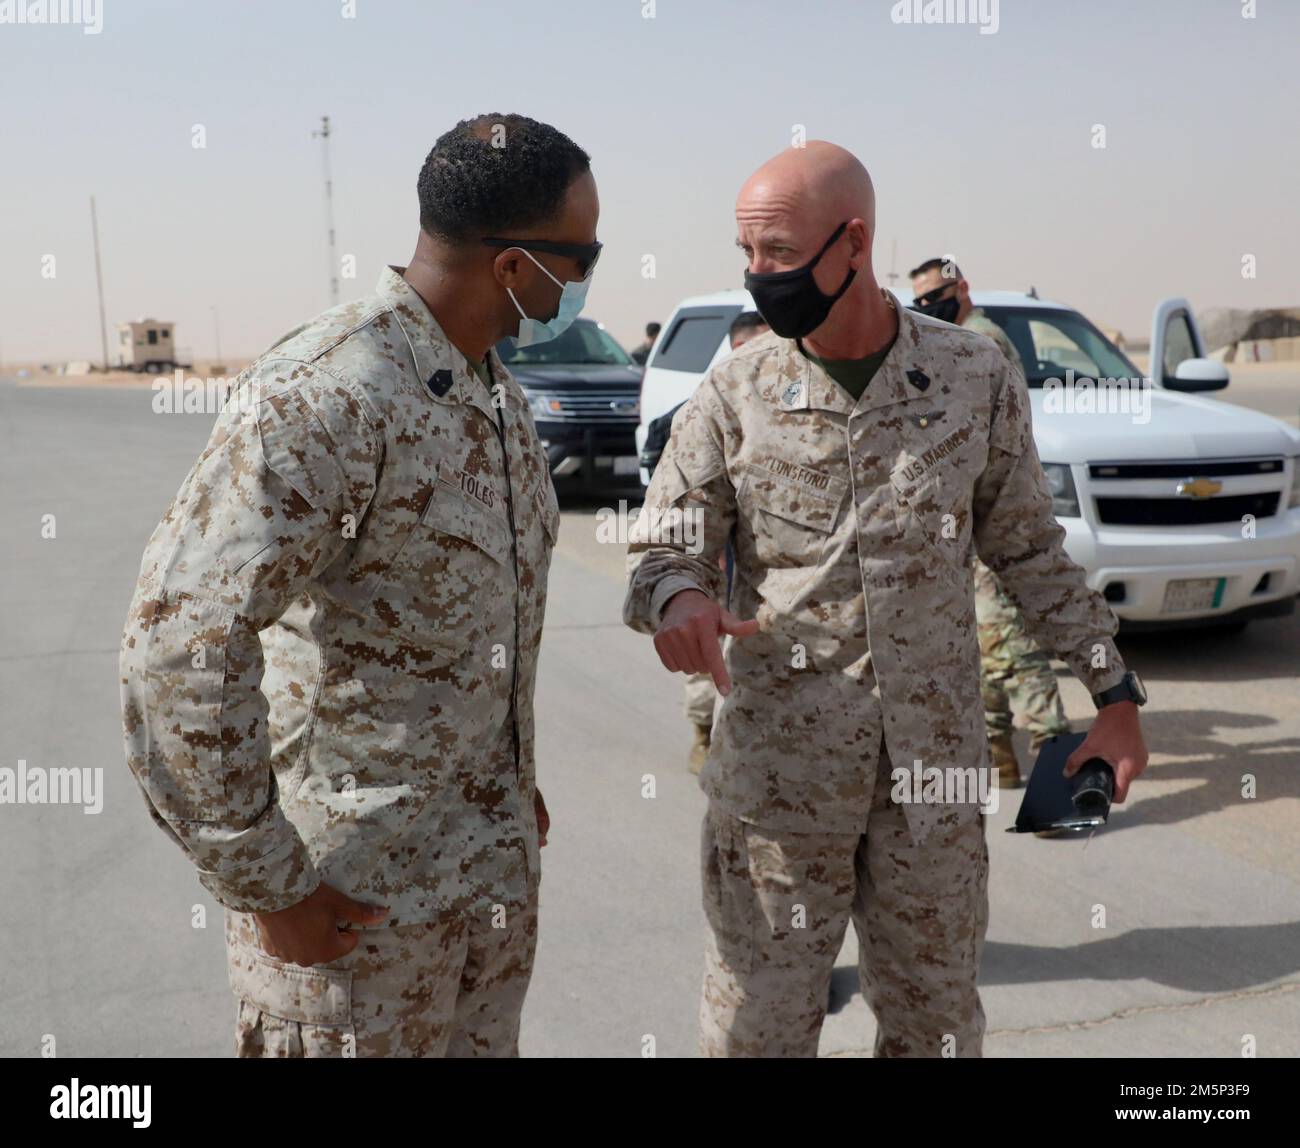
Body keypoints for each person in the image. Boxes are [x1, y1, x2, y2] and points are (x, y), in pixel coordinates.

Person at [624, 141, 1148, 1058]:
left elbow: (1029, 550)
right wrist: (676, 598)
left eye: (777, 253)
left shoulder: (972, 378)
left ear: (853, 243)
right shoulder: (734, 392)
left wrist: (1114, 696)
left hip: (931, 786)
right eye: (746, 254)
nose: (757, 277)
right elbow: (669, 541)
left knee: (936, 1027)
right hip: (780, 787)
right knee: (757, 1032)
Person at [119, 113, 599, 1057]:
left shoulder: (493, 394)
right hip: (352, 931)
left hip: (481, 913)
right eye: (581, 257)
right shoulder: (328, 394)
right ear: (514, 266)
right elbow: (179, 645)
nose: (585, 280)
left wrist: (502, 771)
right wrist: (268, 884)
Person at [909, 257, 1071, 787]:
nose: (929, 306)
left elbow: (982, 432)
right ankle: (999, 751)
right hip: (972, 507)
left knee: (1012, 638)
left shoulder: (980, 340)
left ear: (962, 288)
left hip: (995, 508)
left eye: (936, 295)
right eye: (922, 299)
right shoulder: (959, 338)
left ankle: (1056, 769)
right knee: (988, 633)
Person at [682, 311, 770, 772]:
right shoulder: (707, 403)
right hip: (717, 559)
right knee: (707, 649)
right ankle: (702, 732)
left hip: (761, 572)